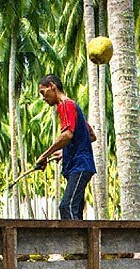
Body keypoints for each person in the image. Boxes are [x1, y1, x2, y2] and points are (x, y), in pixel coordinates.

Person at [35, 75, 97, 220]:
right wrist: (64, 152)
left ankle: (72, 243)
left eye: (43, 92)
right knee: (75, 211)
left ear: (52, 86)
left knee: (66, 207)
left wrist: (45, 155)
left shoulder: (65, 105)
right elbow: (91, 136)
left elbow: (67, 135)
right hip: (79, 165)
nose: (43, 98)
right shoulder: (72, 107)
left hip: (80, 165)